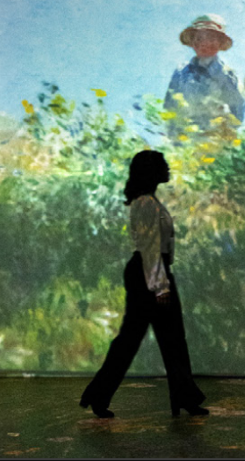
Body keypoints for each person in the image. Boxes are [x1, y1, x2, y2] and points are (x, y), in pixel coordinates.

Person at [79, 150, 208, 419]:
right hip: (150, 274)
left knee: (144, 340)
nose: (168, 167)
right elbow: (151, 249)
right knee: (162, 339)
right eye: (163, 164)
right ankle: (182, 397)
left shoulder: (146, 202)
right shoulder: (147, 204)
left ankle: (101, 395)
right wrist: (160, 286)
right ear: (152, 172)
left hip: (147, 273)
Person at [164, 14, 245, 140]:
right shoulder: (181, 72)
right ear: (192, 43)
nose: (204, 43)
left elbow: (238, 110)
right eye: (199, 38)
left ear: (219, 43)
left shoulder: (226, 74)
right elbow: (170, 106)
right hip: (184, 141)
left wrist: (224, 135)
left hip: (215, 141)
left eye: (211, 38)